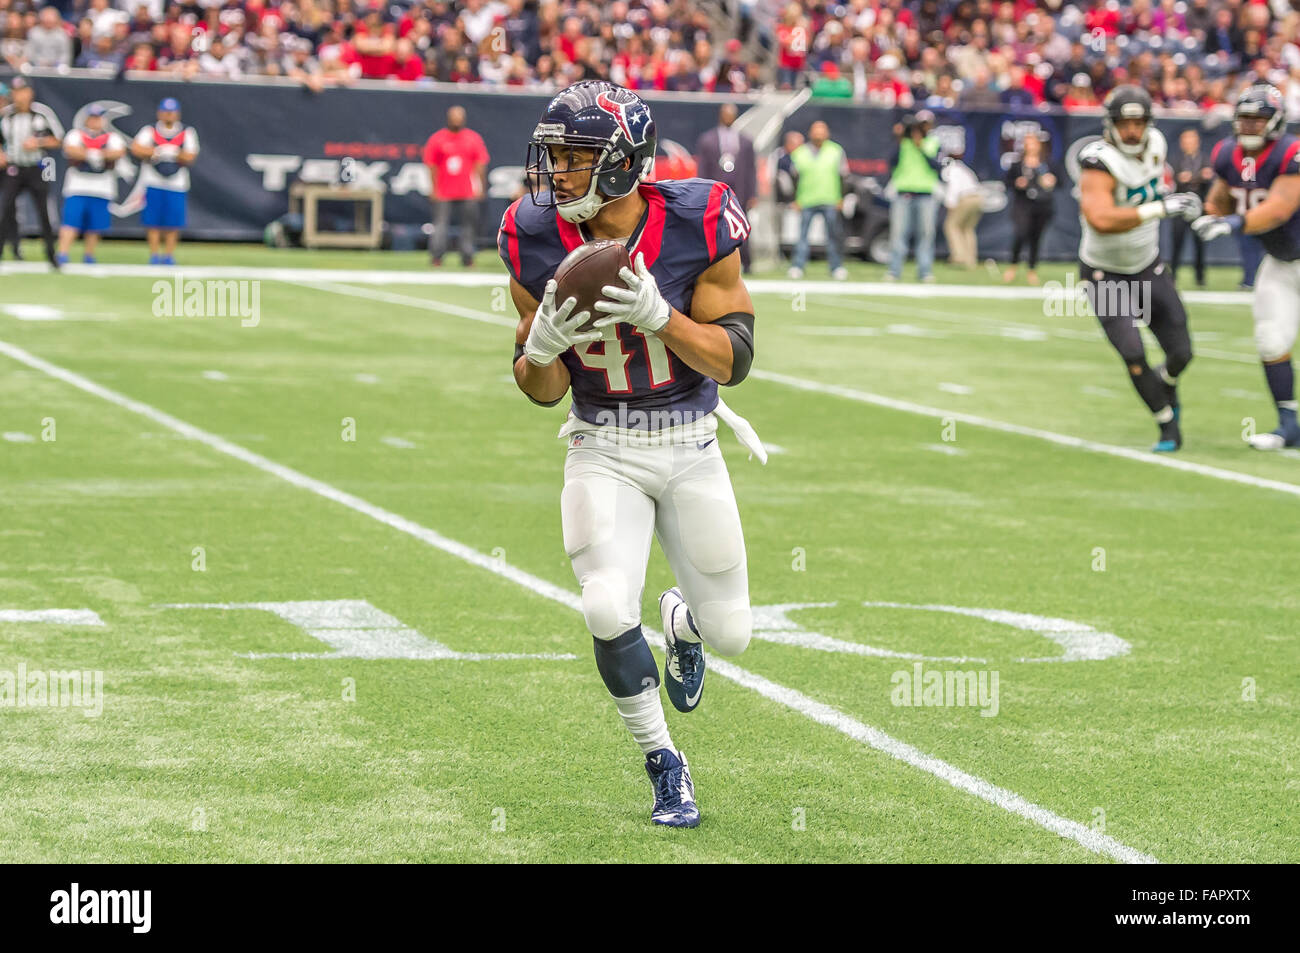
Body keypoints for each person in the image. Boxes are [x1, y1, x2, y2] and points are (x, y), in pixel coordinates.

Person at [499, 80, 761, 828]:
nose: (556, 174)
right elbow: (541, 389)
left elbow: (733, 360)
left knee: (732, 634)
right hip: (601, 442)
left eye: (575, 158)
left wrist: (660, 317)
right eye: (553, 156)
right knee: (606, 602)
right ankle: (665, 765)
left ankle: (682, 621)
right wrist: (541, 348)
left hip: (690, 440)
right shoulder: (528, 232)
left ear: (622, 163)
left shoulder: (698, 218)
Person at [1076, 85, 1203, 452]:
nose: (1132, 131)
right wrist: (1160, 209)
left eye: (1139, 122)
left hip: (1147, 264)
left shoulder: (1158, 144)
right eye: (1124, 123)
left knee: (1182, 352)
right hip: (1105, 272)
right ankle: (1165, 422)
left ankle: (1165, 383)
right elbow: (1099, 217)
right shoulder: (1098, 160)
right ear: (1110, 124)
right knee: (1133, 352)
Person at [1193, 84, 1300, 450]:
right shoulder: (1227, 153)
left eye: (1258, 120)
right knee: (1270, 339)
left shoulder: (1292, 152)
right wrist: (1203, 211)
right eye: (1245, 119)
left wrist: (1236, 223)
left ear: (1275, 122)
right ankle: (1289, 425)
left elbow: (1280, 208)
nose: (1250, 126)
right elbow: (1220, 200)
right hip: (1282, 262)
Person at [129, 97, 199, 265]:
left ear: (177, 114)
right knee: (152, 220)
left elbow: (190, 156)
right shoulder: (150, 131)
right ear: (159, 113)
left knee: (173, 221)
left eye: (171, 112)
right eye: (165, 112)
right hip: (153, 181)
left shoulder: (187, 132)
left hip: (176, 183)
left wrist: (175, 152)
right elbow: (136, 148)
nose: (168, 116)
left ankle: (169, 255)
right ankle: (154, 254)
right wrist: (156, 151)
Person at [0, 77, 61, 267]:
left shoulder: (42, 114)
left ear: (30, 93)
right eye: (16, 92)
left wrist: (39, 142)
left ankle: (51, 255)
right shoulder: (6, 116)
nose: (20, 96)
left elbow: (58, 140)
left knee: (44, 211)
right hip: (14, 167)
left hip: (38, 166)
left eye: (23, 91)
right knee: (5, 209)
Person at [57, 103, 125, 264]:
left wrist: (93, 153)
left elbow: (118, 152)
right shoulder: (75, 134)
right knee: (70, 221)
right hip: (78, 186)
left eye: (98, 118)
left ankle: (89, 255)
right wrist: (93, 153)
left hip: (102, 187)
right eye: (92, 118)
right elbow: (70, 149)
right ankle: (63, 253)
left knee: (95, 225)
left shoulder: (112, 138)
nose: (95, 121)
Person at [695, 103, 757, 272]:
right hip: (716, 190)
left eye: (731, 114)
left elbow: (751, 169)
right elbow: (703, 167)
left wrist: (752, 193)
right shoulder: (707, 139)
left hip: (740, 190)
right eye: (726, 114)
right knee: (714, 226)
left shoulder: (745, 141)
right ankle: (714, 261)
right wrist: (701, 190)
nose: (728, 117)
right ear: (720, 115)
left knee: (742, 224)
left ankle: (746, 263)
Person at [424, 105, 488, 267]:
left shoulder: (473, 138)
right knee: (440, 225)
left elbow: (480, 164)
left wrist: (480, 186)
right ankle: (437, 256)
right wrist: (434, 188)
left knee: (468, 226)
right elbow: (432, 166)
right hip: (444, 190)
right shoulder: (438, 139)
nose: (456, 120)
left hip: (467, 190)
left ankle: (467, 257)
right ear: (448, 118)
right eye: (454, 116)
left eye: (459, 117)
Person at [788, 120, 848, 280]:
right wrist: (795, 199)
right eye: (816, 131)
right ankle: (798, 265)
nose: (819, 134)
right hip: (806, 199)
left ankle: (836, 266)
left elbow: (843, 176)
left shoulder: (836, 151)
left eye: (822, 131)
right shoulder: (800, 152)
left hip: (830, 198)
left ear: (827, 133)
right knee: (802, 236)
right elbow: (794, 178)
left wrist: (841, 198)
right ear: (810, 133)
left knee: (833, 235)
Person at [886, 110, 941, 282]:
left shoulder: (933, 142)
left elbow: (937, 166)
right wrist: (900, 138)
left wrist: (921, 145)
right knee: (898, 234)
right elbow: (891, 162)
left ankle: (924, 271)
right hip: (904, 193)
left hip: (925, 193)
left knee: (925, 234)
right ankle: (894, 271)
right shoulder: (904, 143)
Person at [1003, 132, 1057, 284]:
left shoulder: (1047, 163)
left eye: (1034, 143)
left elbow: (1060, 181)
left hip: (1042, 204)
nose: (1031, 147)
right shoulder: (1017, 164)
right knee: (1021, 233)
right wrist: (1017, 183)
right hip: (1023, 204)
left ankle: (1032, 270)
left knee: (1036, 237)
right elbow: (1007, 182)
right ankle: (1012, 266)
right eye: (1028, 143)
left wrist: (1051, 181)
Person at [1168, 127, 1211, 287]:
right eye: (1186, 140)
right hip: (1180, 208)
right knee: (1177, 243)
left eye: (1191, 140)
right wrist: (1192, 178)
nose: (1189, 143)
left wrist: (1194, 178)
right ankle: (1172, 276)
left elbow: (1208, 178)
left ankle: (1200, 277)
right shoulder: (1175, 160)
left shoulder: (1204, 158)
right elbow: (1173, 181)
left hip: (1199, 208)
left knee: (1199, 244)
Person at [941, 149, 982, 268]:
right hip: (978, 197)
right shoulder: (965, 168)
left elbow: (954, 187)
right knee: (967, 228)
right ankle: (971, 260)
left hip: (966, 198)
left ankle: (959, 257)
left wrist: (950, 203)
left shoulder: (953, 169)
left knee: (951, 226)